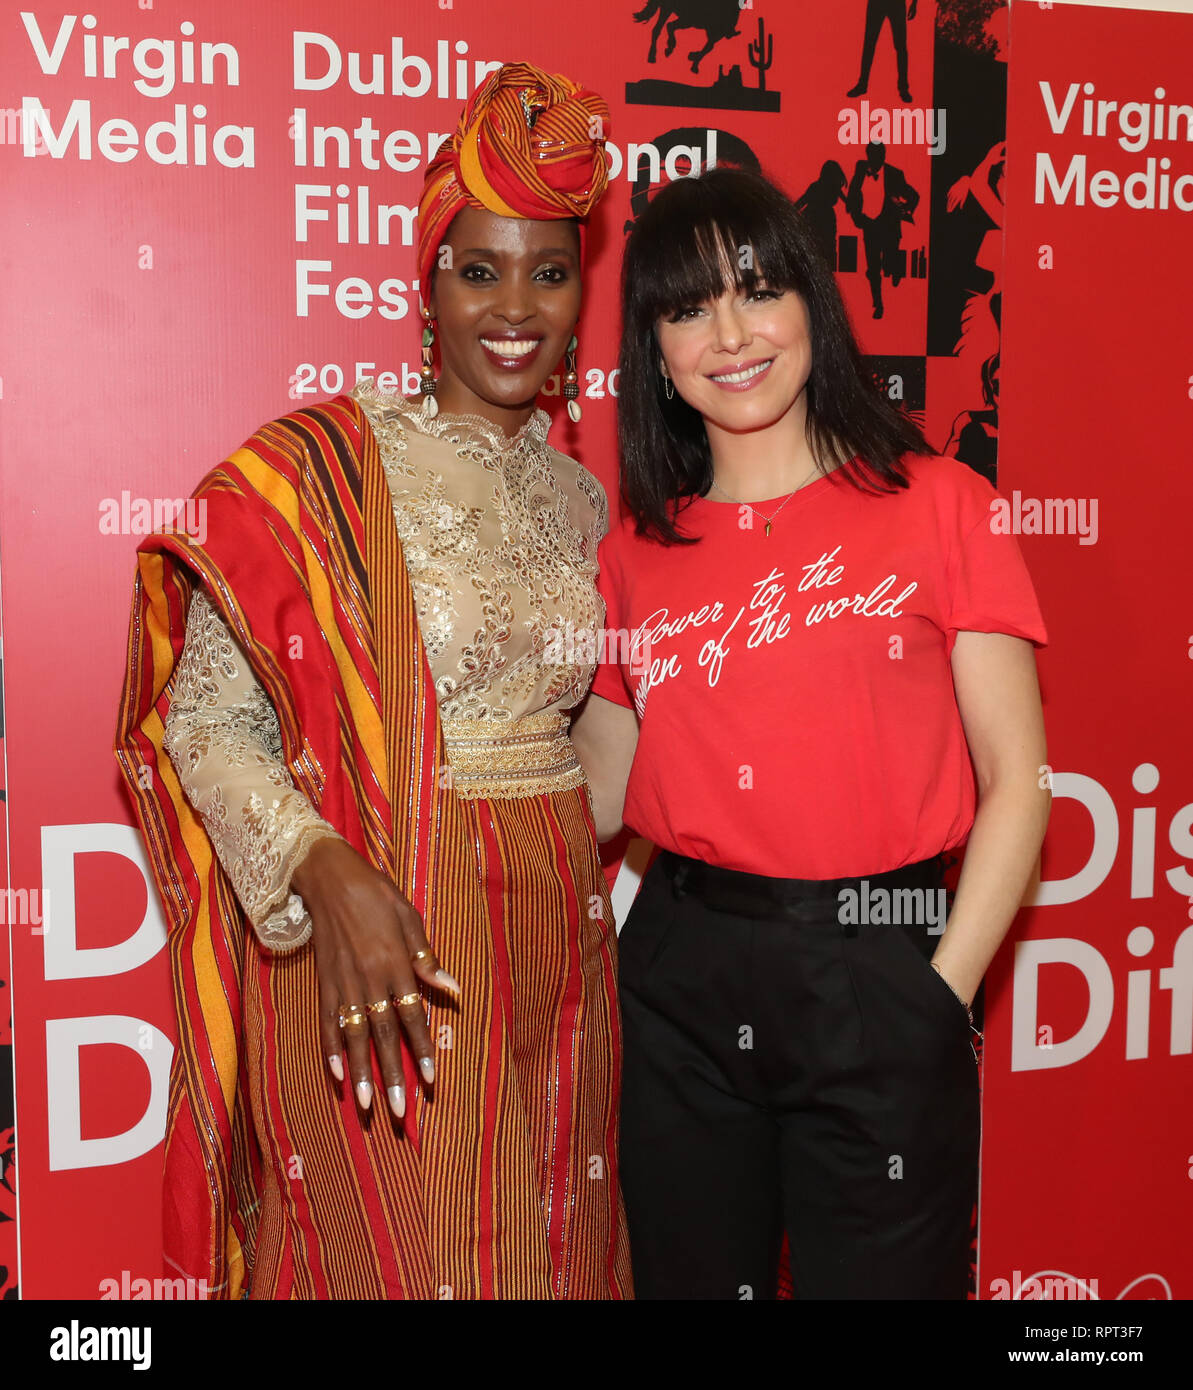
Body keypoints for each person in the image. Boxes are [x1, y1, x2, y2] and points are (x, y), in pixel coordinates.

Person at [115, 61, 632, 1301]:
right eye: (478, 269)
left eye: (547, 273)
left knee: (558, 1245)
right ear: (426, 282)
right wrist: (327, 873)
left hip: (561, 921)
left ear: (577, 297)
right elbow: (206, 722)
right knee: (420, 1259)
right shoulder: (324, 467)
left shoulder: (576, 497)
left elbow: (594, 736)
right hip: (392, 927)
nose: (513, 306)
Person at [571, 166, 1050, 1300]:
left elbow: (1018, 780)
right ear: (653, 350)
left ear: (809, 305)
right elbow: (599, 781)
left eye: (757, 288)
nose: (729, 333)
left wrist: (937, 993)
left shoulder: (940, 504)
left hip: (879, 965)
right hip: (678, 980)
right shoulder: (635, 548)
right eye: (687, 308)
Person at [845, 140, 919, 319]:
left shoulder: (895, 174)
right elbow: (853, 194)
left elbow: (914, 196)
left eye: (878, 157)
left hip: (890, 227)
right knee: (873, 269)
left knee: (889, 261)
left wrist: (905, 210)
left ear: (883, 157)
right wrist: (857, 217)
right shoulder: (861, 169)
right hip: (870, 227)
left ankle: (894, 269)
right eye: (871, 156)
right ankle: (878, 304)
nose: (874, 160)